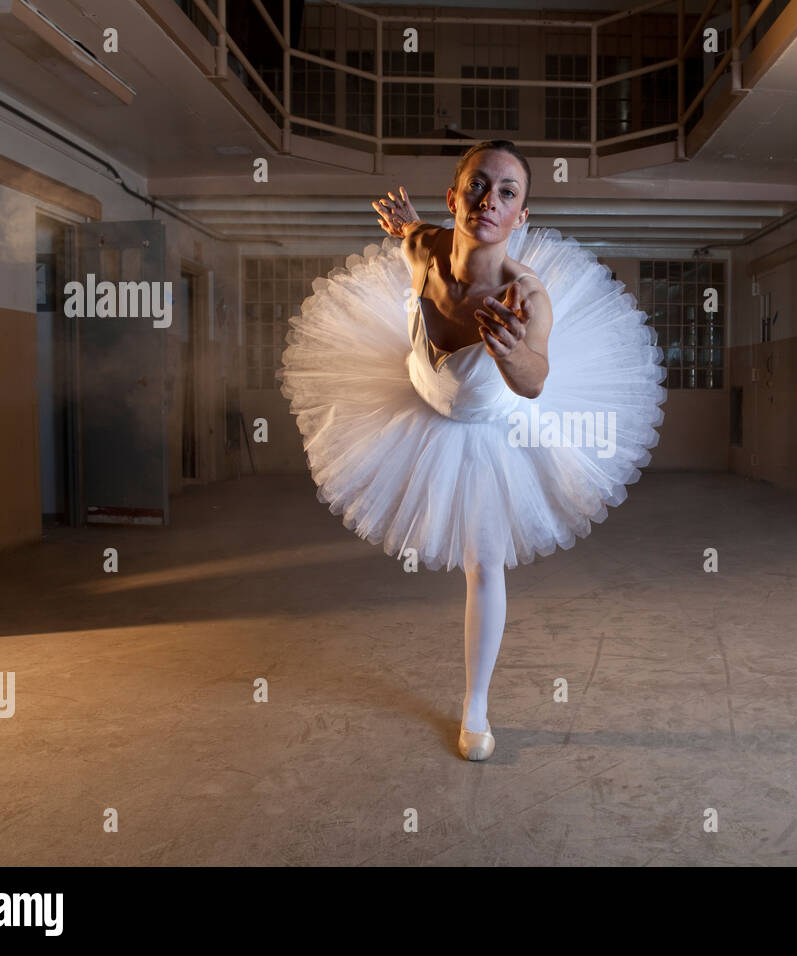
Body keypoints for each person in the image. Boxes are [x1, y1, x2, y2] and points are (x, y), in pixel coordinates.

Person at [277, 139, 666, 760]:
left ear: (522, 217)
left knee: (484, 564)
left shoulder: (527, 297)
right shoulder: (422, 247)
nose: (490, 201)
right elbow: (413, 234)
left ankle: (476, 706)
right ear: (453, 197)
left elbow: (536, 379)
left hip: (492, 431)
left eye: (508, 194)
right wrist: (406, 224)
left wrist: (513, 353)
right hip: (416, 398)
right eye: (479, 186)